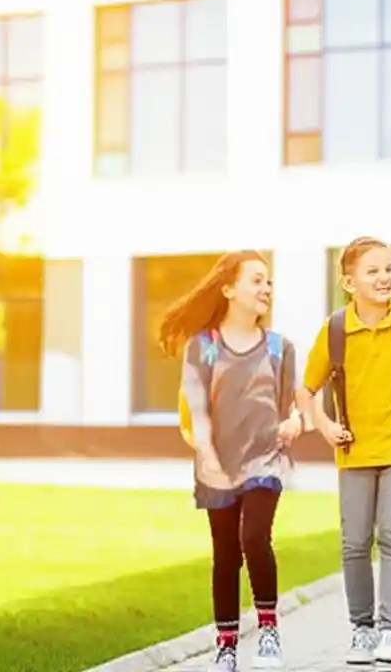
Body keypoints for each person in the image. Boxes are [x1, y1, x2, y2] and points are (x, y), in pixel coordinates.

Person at [297, 236, 391, 666]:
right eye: (373, 271)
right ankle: (361, 630)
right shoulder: (336, 330)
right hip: (355, 452)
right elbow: (305, 391)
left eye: (390, 268)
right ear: (349, 281)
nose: (385, 278)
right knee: (355, 543)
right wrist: (324, 425)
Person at [163, 250, 302, 672]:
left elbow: (290, 406)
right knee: (225, 553)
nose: (266, 288)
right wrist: (207, 456)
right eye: (256, 280)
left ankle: (268, 629)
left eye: (269, 281)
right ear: (228, 289)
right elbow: (197, 409)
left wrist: (295, 422)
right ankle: (226, 644)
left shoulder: (280, 347)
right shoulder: (201, 348)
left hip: (265, 461)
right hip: (216, 464)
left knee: (254, 537)